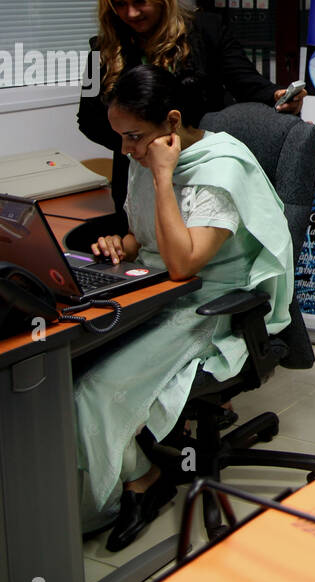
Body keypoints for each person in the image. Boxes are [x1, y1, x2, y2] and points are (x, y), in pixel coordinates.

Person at [75, 64, 294, 551]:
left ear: (172, 124)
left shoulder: (219, 170)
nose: (127, 150)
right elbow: (151, 239)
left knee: (93, 388)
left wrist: (162, 177)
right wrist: (123, 245)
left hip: (208, 308)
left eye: (135, 137)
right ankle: (124, 464)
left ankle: (144, 480)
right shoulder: (145, 157)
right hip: (153, 291)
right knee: (68, 362)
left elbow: (182, 263)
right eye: (121, 138)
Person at [78, 0, 306, 221]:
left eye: (140, 1)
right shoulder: (98, 51)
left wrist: (277, 95)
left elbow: (246, 82)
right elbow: (88, 120)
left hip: (201, 172)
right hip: (136, 177)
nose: (132, 13)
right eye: (120, 4)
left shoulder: (206, 30)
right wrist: (139, 145)